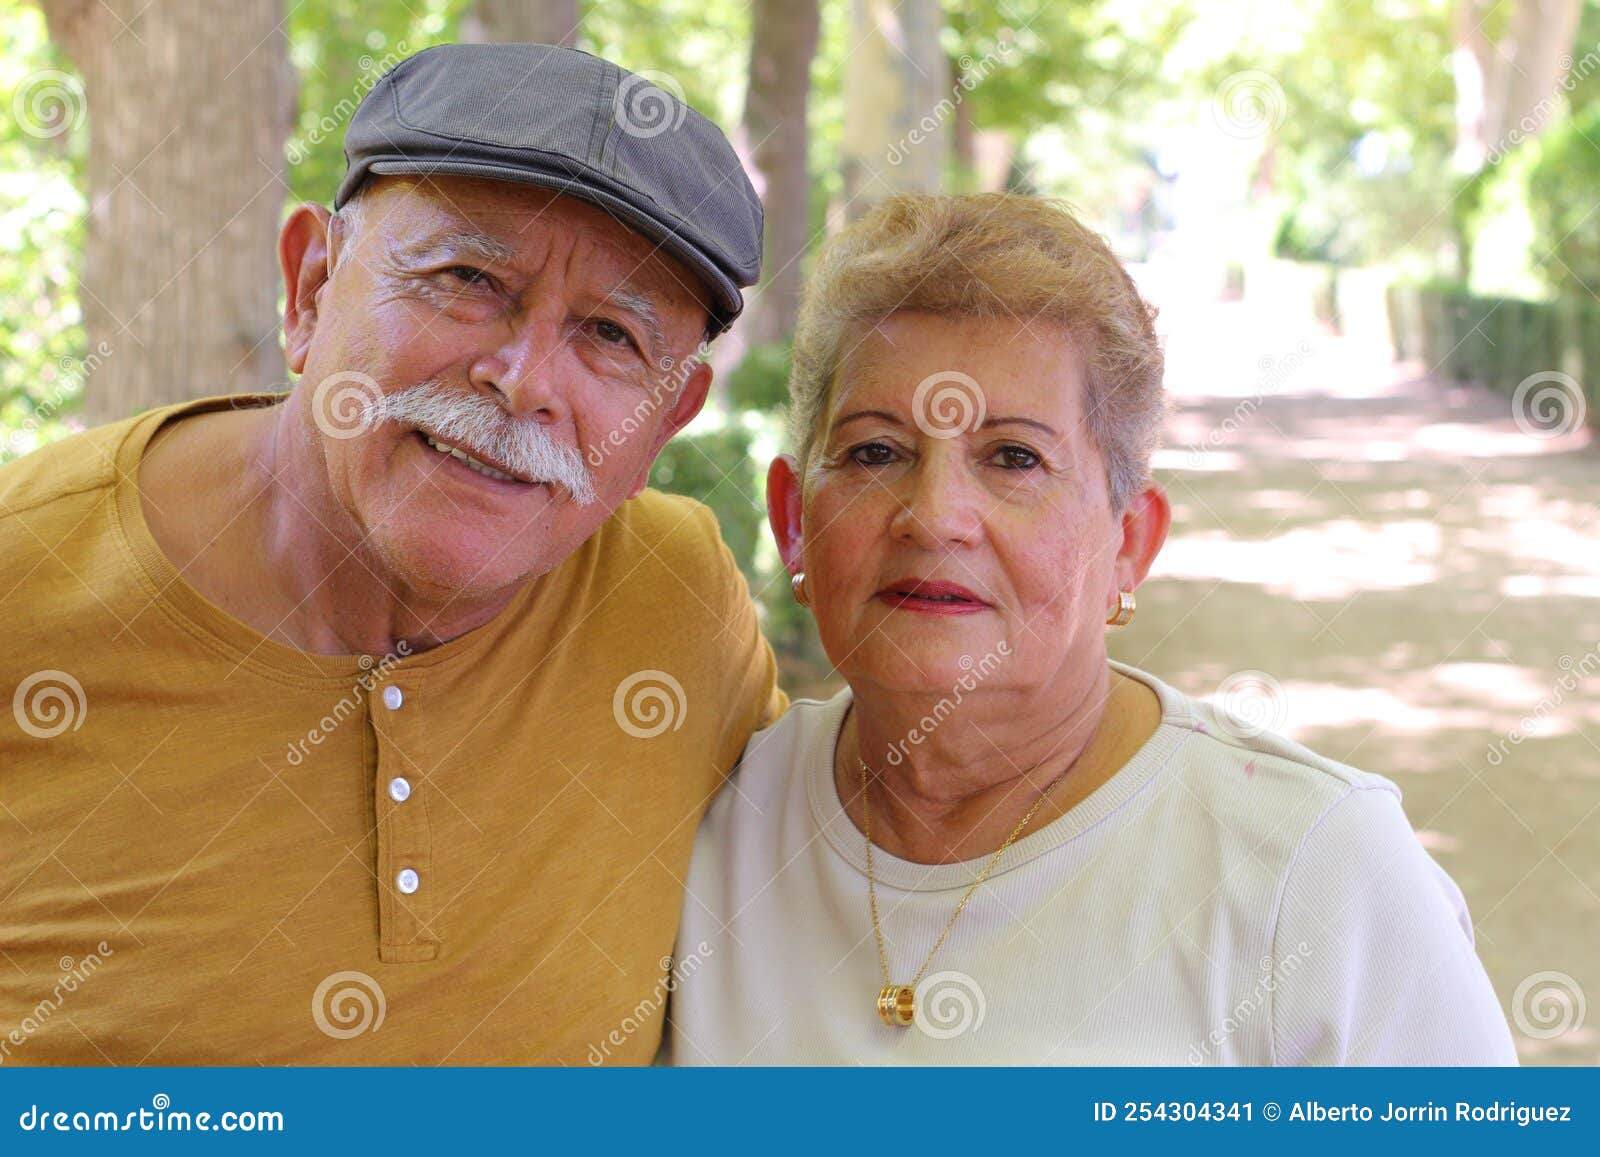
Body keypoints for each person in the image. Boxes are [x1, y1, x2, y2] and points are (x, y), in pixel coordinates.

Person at [0, 43, 782, 1066]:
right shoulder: (28, 581)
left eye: (609, 335)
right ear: (311, 287)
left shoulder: (675, 601)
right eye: (468, 279)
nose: (520, 378)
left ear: (664, 423)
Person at [665, 192, 1518, 1065]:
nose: (935, 515)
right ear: (793, 520)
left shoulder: (1319, 873)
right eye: (877, 451)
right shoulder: (701, 819)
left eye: (1014, 458)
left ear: (1129, 544)